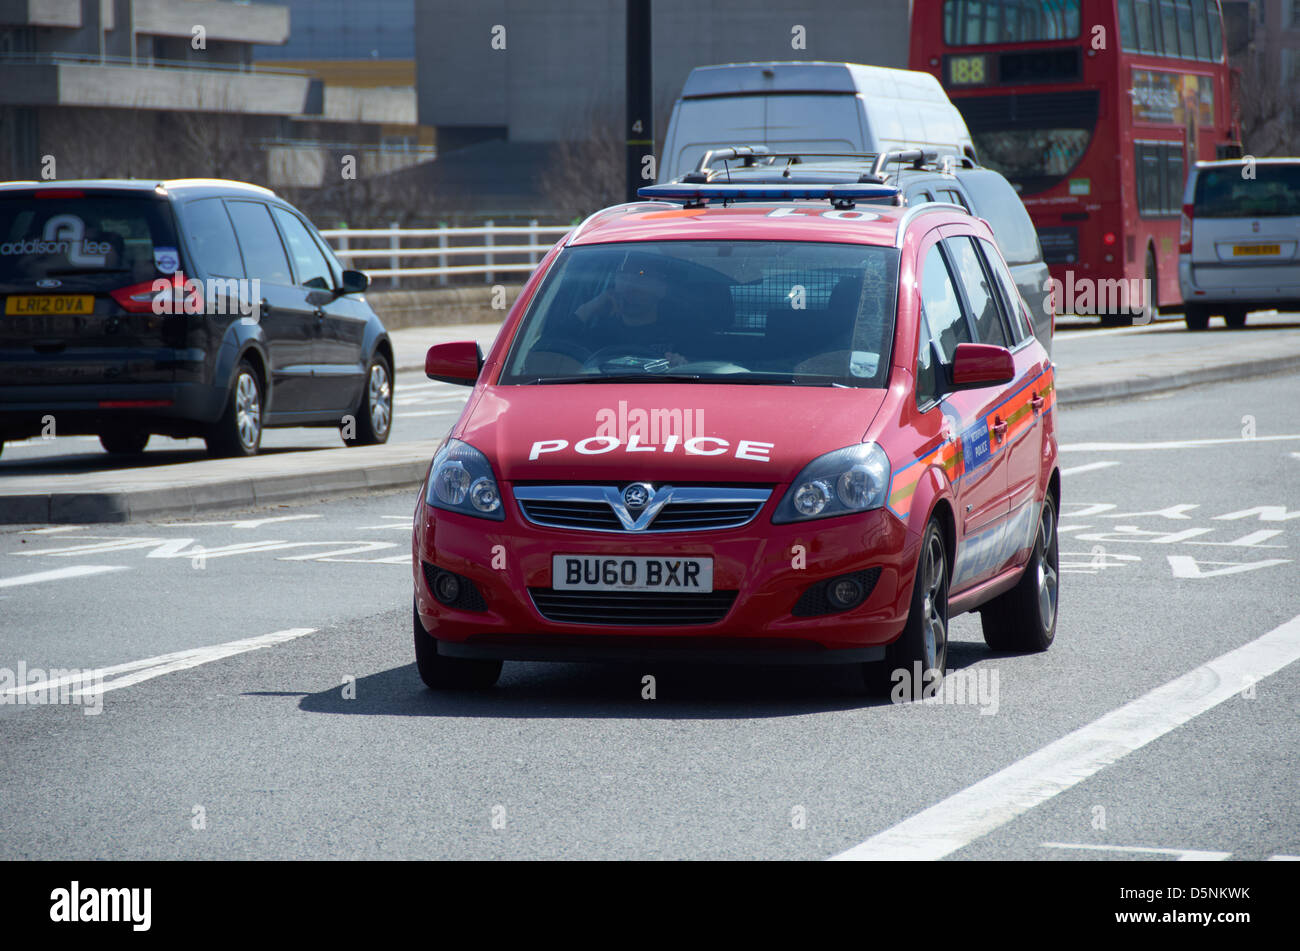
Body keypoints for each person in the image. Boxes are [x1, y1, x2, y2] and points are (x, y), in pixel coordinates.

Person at [573, 252, 688, 366]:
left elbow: (702, 368)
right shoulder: (598, 334)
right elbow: (558, 351)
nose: (628, 286)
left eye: (640, 276)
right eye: (623, 275)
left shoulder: (682, 334)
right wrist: (587, 309)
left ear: (661, 289)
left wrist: (683, 367)